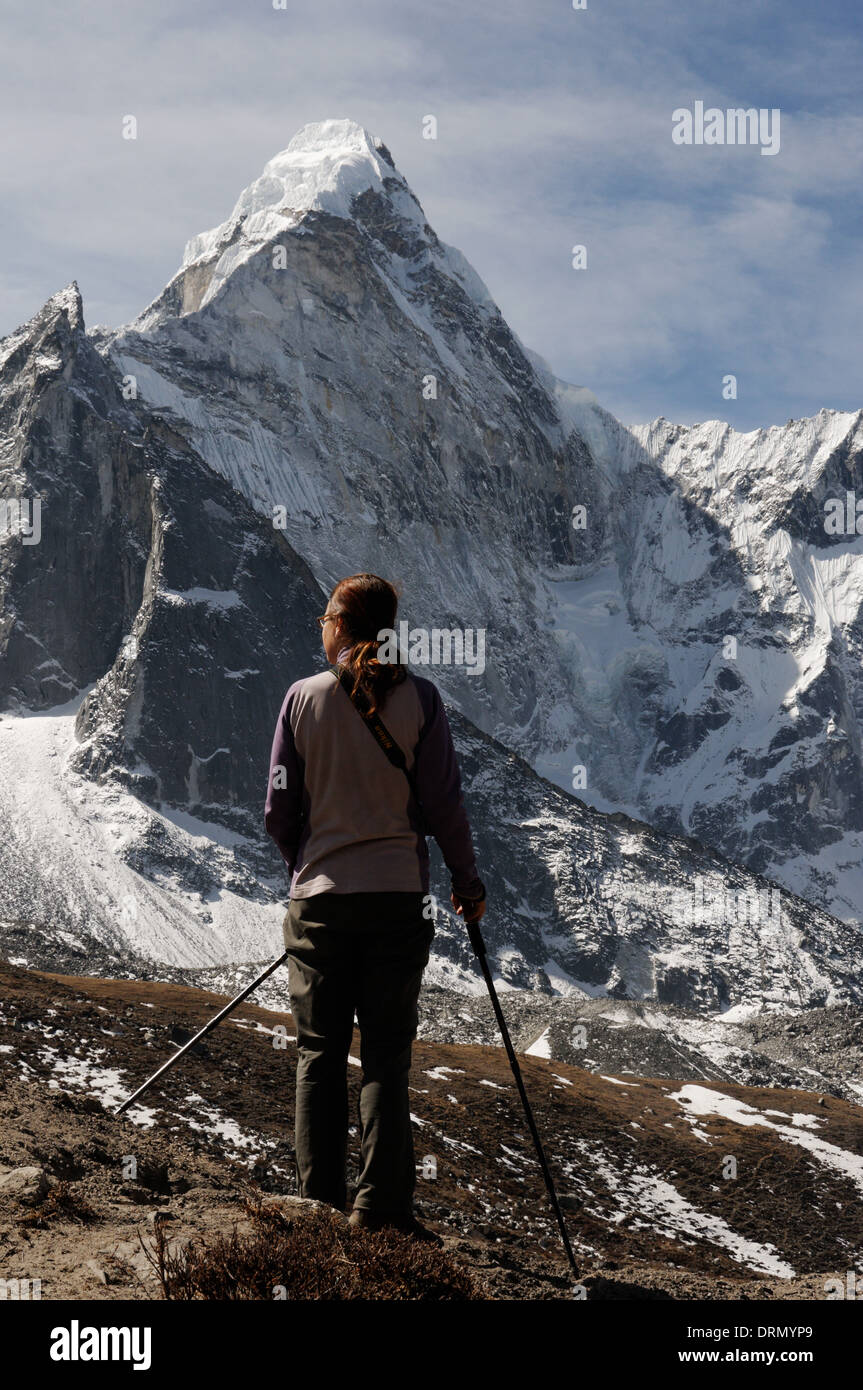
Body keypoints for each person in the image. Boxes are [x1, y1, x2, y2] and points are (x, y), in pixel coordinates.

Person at [264, 573, 486, 1240]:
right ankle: (381, 1211)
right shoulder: (420, 699)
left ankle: (319, 1207)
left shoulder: (301, 699)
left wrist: (306, 868)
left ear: (341, 625)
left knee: (319, 1051)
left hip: (320, 904)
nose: (320, 624)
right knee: (386, 1055)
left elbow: (278, 809)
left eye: (327, 616)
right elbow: (444, 804)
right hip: (397, 901)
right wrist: (466, 884)